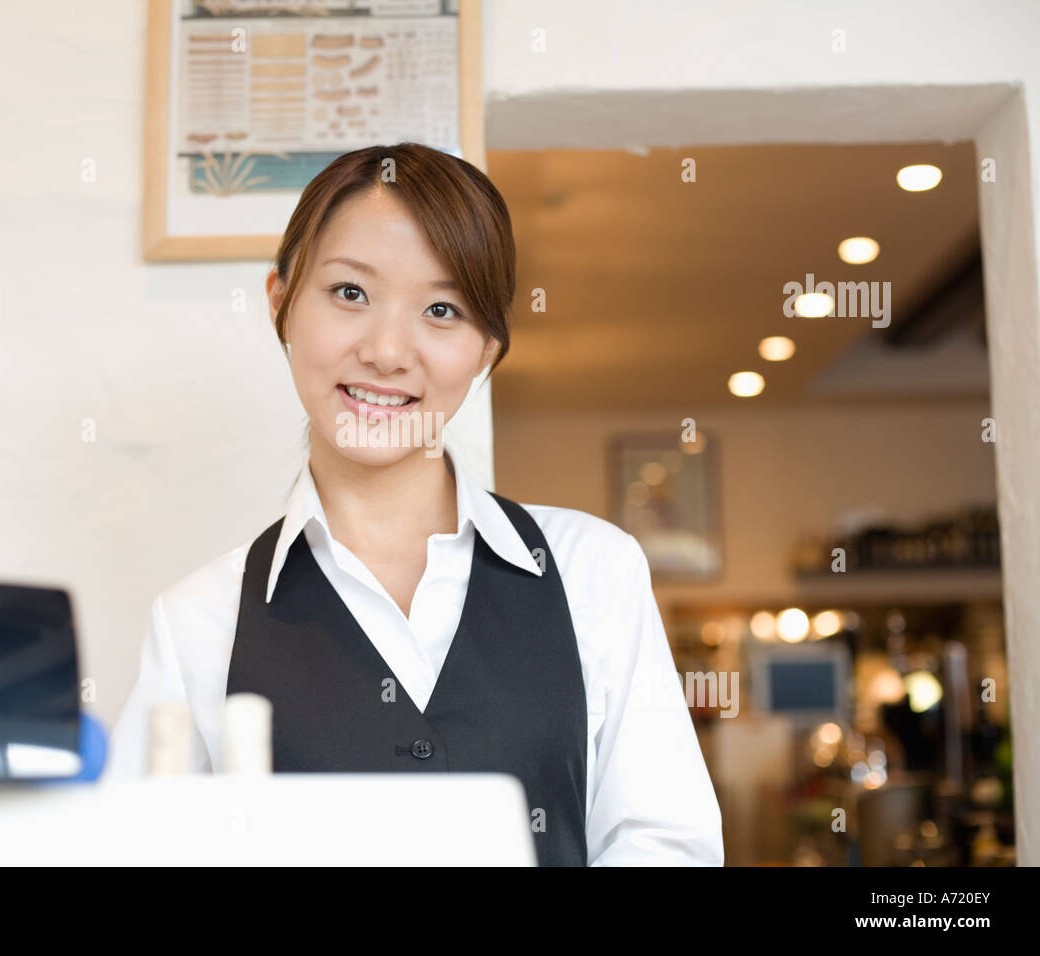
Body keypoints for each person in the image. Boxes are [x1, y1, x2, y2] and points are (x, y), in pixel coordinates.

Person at [109, 142, 723, 866]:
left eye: (442, 309)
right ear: (281, 303)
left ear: (487, 349)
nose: (387, 351)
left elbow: (665, 845)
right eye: (349, 293)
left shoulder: (595, 571)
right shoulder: (197, 621)